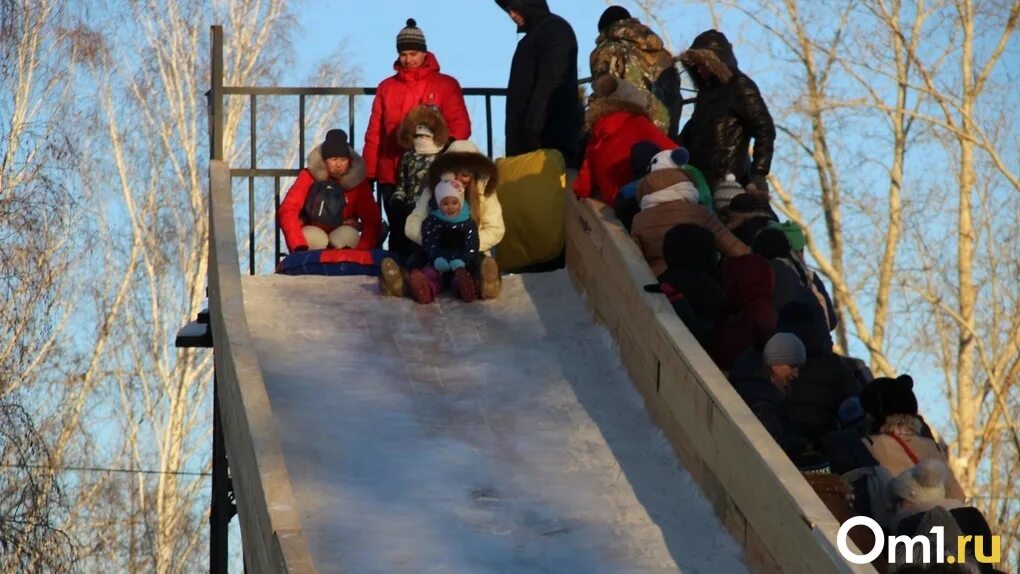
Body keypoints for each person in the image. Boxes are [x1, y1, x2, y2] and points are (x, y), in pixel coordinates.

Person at [363, 19, 471, 256]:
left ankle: (435, 273)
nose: (408, 59)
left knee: (432, 225)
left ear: (424, 53)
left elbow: (460, 125)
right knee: (399, 230)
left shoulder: (445, 85)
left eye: (413, 53)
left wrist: (440, 147)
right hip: (391, 171)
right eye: (403, 54)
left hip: (431, 170)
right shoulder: (386, 88)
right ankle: (398, 279)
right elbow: (374, 134)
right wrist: (369, 173)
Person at [380, 141, 504, 300]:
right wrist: (433, 242)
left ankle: (485, 283)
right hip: (435, 253)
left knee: (479, 263)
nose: (461, 177)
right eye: (455, 171)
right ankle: (402, 282)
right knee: (416, 260)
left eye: (466, 172)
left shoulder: (484, 191)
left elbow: (495, 228)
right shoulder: (435, 191)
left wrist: (468, 244)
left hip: (470, 252)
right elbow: (412, 223)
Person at [679, 30, 776, 194]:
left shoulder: (739, 85)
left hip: (729, 183)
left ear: (715, 62)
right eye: (695, 65)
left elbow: (764, 128)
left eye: (702, 64)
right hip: (700, 181)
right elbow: (694, 131)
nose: (699, 70)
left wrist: (759, 173)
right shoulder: (706, 93)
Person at [495, 0, 583, 164]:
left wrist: (533, 129)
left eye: (513, 8)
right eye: (508, 11)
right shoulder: (533, 37)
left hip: (548, 139)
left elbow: (551, 81)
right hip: (529, 141)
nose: (512, 15)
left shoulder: (554, 30)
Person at [573, 76, 677, 206]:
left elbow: (582, 187)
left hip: (626, 201)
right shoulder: (647, 127)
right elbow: (676, 155)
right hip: (673, 189)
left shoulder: (599, 131)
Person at [859, 375, 967, 501]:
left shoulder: (869, 444)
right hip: (940, 516)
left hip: (898, 517)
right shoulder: (931, 446)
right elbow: (957, 496)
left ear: (873, 415)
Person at [631, 165, 748, 276]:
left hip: (658, 280)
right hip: (697, 280)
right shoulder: (700, 212)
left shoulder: (640, 219)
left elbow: (634, 258)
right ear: (687, 187)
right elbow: (732, 246)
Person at [278, 129, 381, 252]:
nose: (338, 164)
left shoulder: (358, 182)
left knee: (349, 236)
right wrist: (298, 245)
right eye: (333, 159)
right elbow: (288, 209)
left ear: (349, 160)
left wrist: (362, 250)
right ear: (324, 160)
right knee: (311, 238)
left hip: (343, 232)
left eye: (343, 160)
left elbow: (372, 220)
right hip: (312, 231)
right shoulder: (308, 177)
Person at [589, 6, 681, 135]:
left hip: (631, 133)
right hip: (666, 137)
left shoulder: (607, 50)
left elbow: (603, 93)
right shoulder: (663, 54)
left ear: (604, 30)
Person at [729, 332, 808, 457]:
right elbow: (772, 442)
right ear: (775, 364)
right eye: (792, 366)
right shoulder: (759, 398)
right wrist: (803, 446)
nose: (796, 374)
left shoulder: (772, 391)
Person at [389, 105, 450, 258]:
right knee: (410, 240)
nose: (422, 140)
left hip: (433, 207)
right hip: (410, 205)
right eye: (418, 136)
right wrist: (397, 199)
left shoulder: (441, 157)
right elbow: (402, 183)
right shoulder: (408, 157)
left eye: (426, 136)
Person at [409, 179, 481, 303]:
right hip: (438, 263)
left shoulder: (467, 222)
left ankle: (465, 288)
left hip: (459, 264)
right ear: (439, 204)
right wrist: (436, 258)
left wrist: (463, 260)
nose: (450, 207)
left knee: (459, 277)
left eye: (454, 202)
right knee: (430, 273)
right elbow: (429, 241)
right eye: (445, 203)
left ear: (461, 202)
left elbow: (472, 243)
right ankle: (426, 289)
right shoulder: (433, 221)